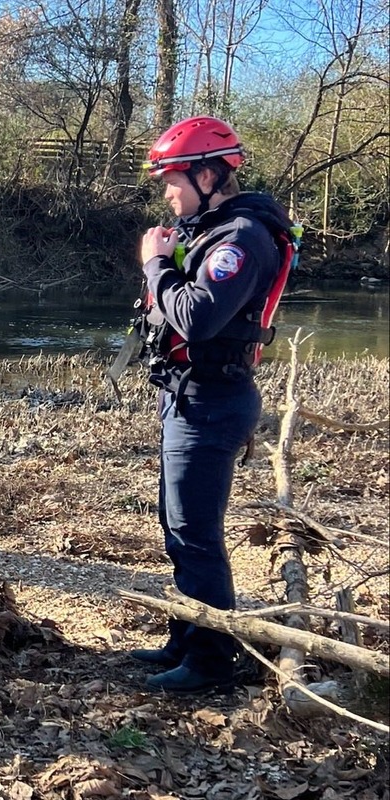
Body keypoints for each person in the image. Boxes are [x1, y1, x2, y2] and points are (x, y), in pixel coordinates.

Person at [132, 117, 297, 693]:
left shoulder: (242, 238)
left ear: (208, 174)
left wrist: (154, 264)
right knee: (177, 524)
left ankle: (209, 663)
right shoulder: (213, 229)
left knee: (195, 530)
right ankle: (187, 637)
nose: (167, 192)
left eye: (172, 180)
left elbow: (199, 318)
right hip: (187, 395)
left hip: (211, 398)